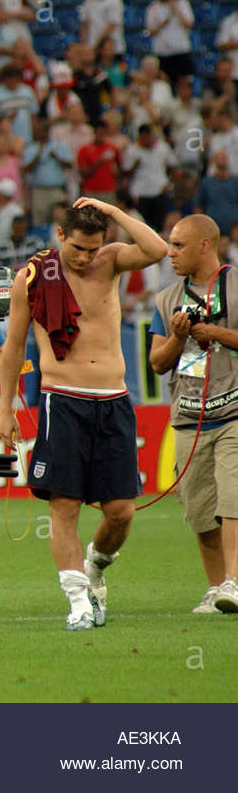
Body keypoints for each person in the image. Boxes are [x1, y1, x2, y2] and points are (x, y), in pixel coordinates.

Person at [0, 198, 167, 629]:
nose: (85, 257)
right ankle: (77, 602)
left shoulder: (110, 261)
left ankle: (94, 566)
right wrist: (6, 408)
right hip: (62, 397)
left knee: (121, 511)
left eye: (93, 248)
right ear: (60, 236)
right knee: (65, 505)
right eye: (77, 247)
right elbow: (15, 346)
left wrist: (113, 213)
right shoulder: (33, 276)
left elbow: (158, 250)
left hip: (113, 398)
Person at [148, 215, 238, 614]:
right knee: (200, 513)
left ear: (206, 244)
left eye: (179, 245)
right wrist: (179, 337)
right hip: (189, 416)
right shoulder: (166, 299)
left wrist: (217, 334)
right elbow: (156, 362)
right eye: (169, 245)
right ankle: (216, 587)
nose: (170, 253)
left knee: (233, 502)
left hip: (235, 410)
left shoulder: (236, 285)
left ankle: (234, 582)